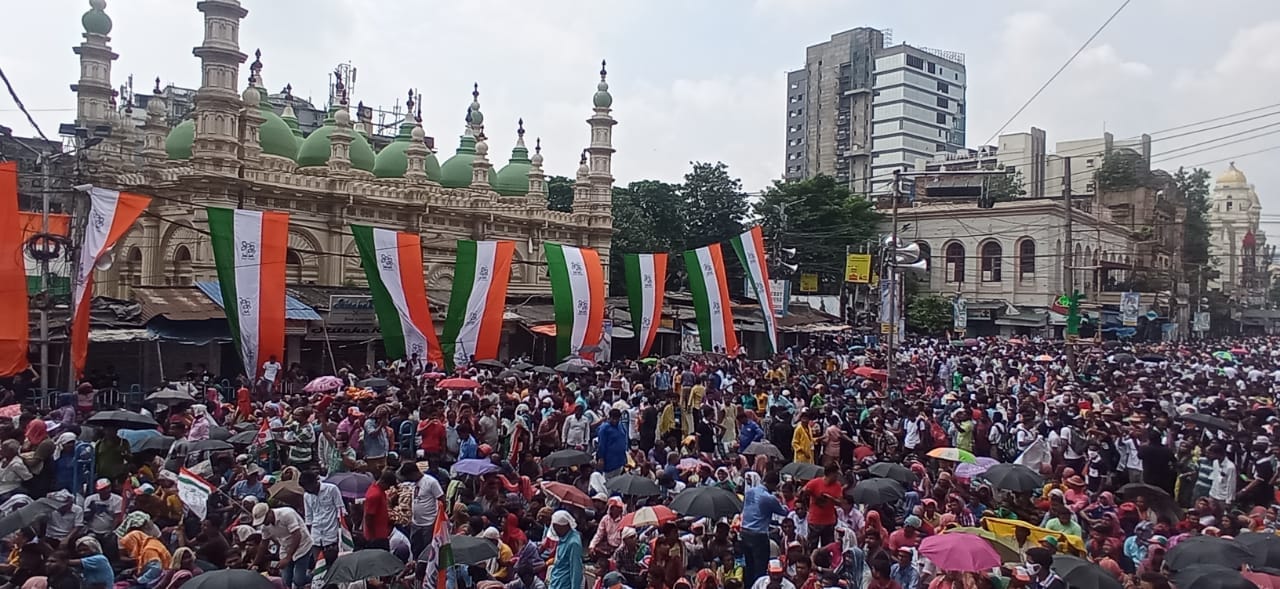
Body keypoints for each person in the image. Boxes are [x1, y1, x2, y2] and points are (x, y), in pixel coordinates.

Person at [742, 471, 790, 584]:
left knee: (749, 565)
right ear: (774, 485)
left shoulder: (750, 491)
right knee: (760, 567)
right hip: (758, 534)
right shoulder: (768, 498)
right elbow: (785, 511)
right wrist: (782, 497)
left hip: (745, 531)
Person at [252, 503, 314, 589]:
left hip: (302, 545)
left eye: (265, 519)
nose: (264, 522)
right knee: (285, 581)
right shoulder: (265, 527)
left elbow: (297, 535)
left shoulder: (287, 514)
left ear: (269, 512)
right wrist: (255, 563)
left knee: (298, 580)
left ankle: (313, 576)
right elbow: (264, 544)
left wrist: (288, 558)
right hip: (285, 547)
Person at [299, 470, 346, 566]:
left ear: (314, 482)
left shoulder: (331, 489)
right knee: (319, 564)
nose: (307, 490)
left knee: (333, 563)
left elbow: (340, 510)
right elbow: (309, 517)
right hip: (316, 535)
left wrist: (341, 532)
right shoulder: (307, 496)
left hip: (331, 533)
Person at [802, 464, 845, 546]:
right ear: (831, 474)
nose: (837, 477)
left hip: (829, 521)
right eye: (836, 474)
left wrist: (830, 498)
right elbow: (803, 492)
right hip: (815, 520)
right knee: (811, 545)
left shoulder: (837, 485)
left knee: (827, 547)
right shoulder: (815, 482)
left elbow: (840, 502)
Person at [547, 511, 583, 589]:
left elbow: (576, 569)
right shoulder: (563, 537)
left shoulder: (573, 543)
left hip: (564, 583)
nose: (555, 531)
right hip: (556, 579)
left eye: (557, 528)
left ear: (565, 526)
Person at [363, 469, 395, 551]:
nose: (388, 488)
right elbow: (369, 517)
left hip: (381, 533)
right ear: (384, 482)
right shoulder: (375, 494)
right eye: (388, 486)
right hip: (377, 536)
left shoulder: (379, 491)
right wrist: (373, 537)